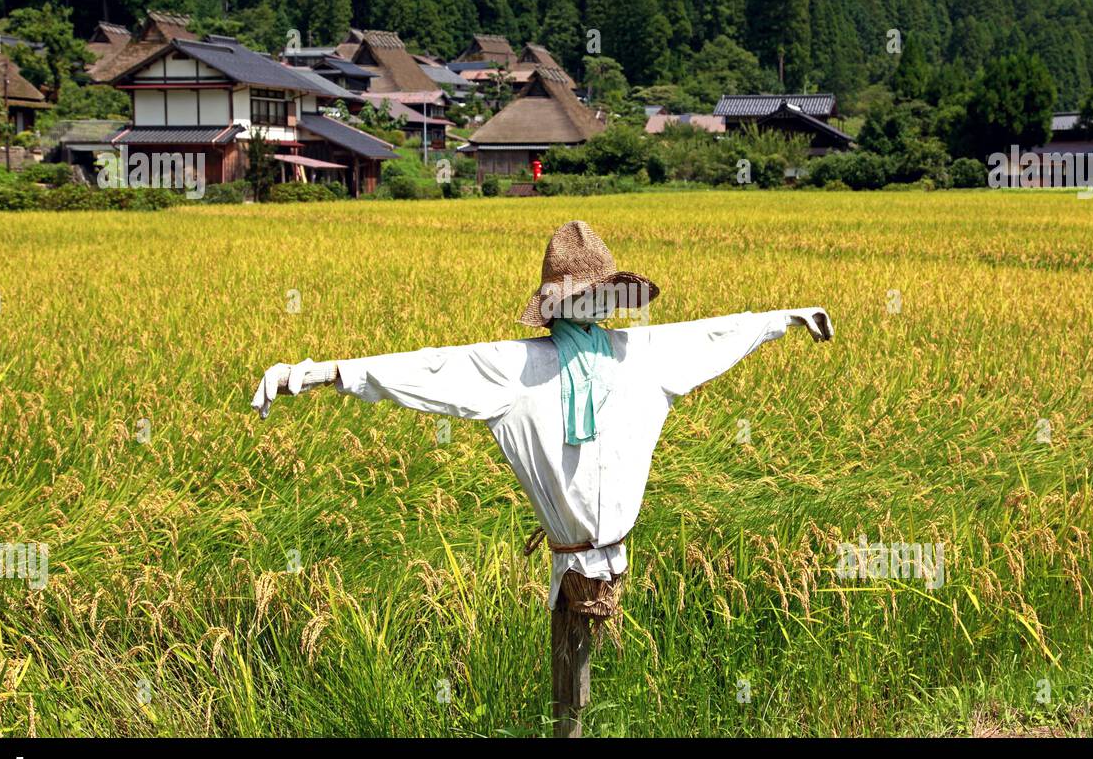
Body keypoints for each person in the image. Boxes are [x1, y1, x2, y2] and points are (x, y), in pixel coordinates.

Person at [252, 220, 833, 616]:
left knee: (593, 680)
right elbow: (430, 369)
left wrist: (784, 318)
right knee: (569, 688)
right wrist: (322, 371)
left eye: (604, 294)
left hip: (617, 557)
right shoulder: (518, 367)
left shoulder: (639, 354)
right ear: (561, 304)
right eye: (590, 294)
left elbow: (715, 333)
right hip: (571, 566)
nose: (600, 305)